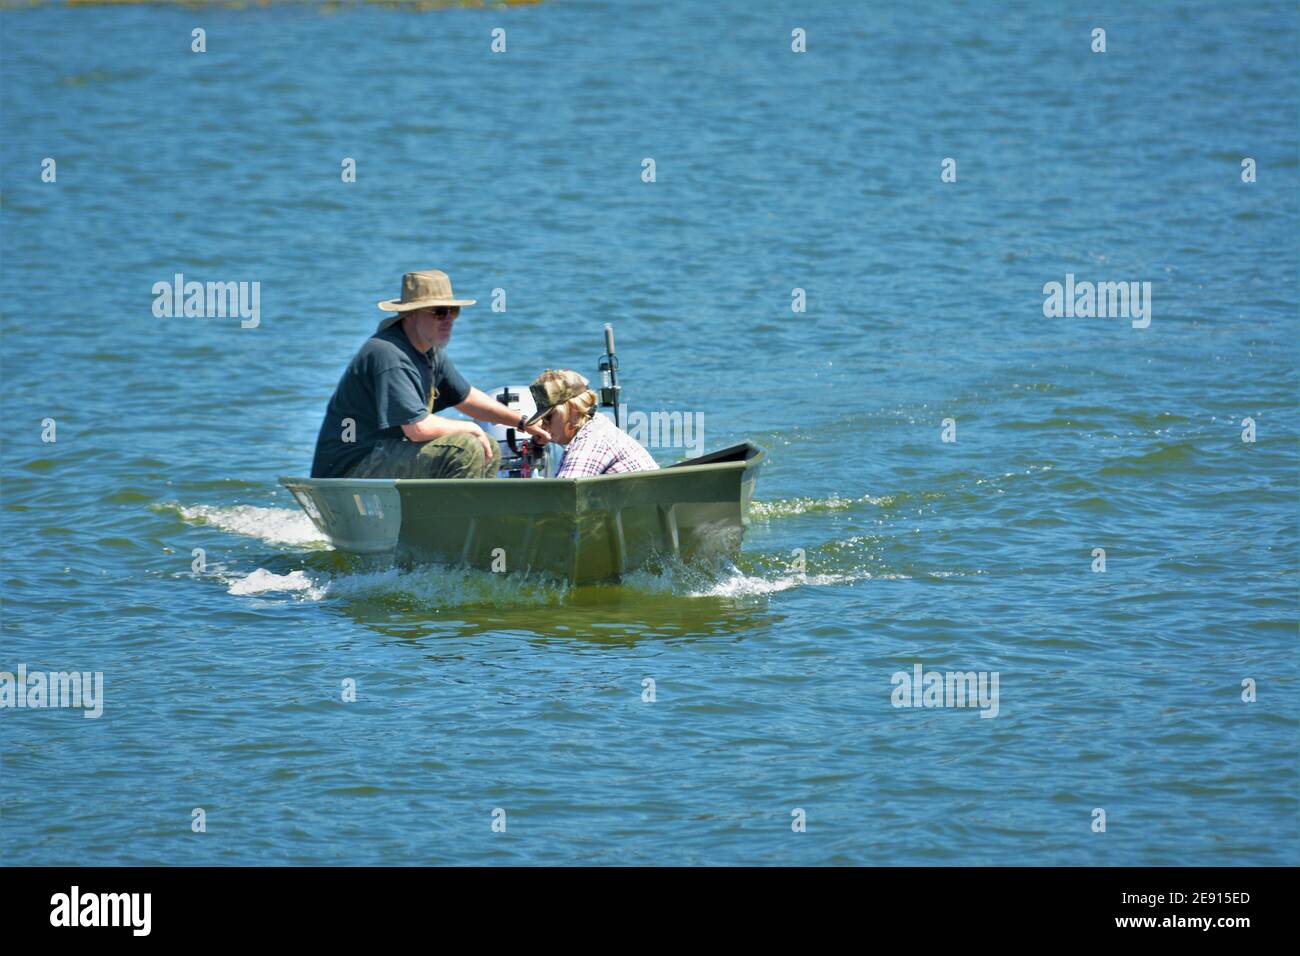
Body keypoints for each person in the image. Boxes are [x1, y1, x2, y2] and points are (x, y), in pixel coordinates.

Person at [310, 270, 550, 479]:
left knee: (488, 446)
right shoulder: (390, 355)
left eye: (452, 312)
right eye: (438, 312)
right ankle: (451, 523)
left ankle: (474, 520)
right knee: (466, 447)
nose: (448, 320)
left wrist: (523, 423)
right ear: (411, 314)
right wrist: (470, 429)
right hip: (350, 467)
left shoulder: (428, 352)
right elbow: (417, 429)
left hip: (385, 452)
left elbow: (466, 398)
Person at [524, 369, 658, 478]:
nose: (544, 425)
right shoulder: (598, 427)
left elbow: (563, 498)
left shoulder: (589, 444)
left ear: (573, 409)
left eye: (548, 417)